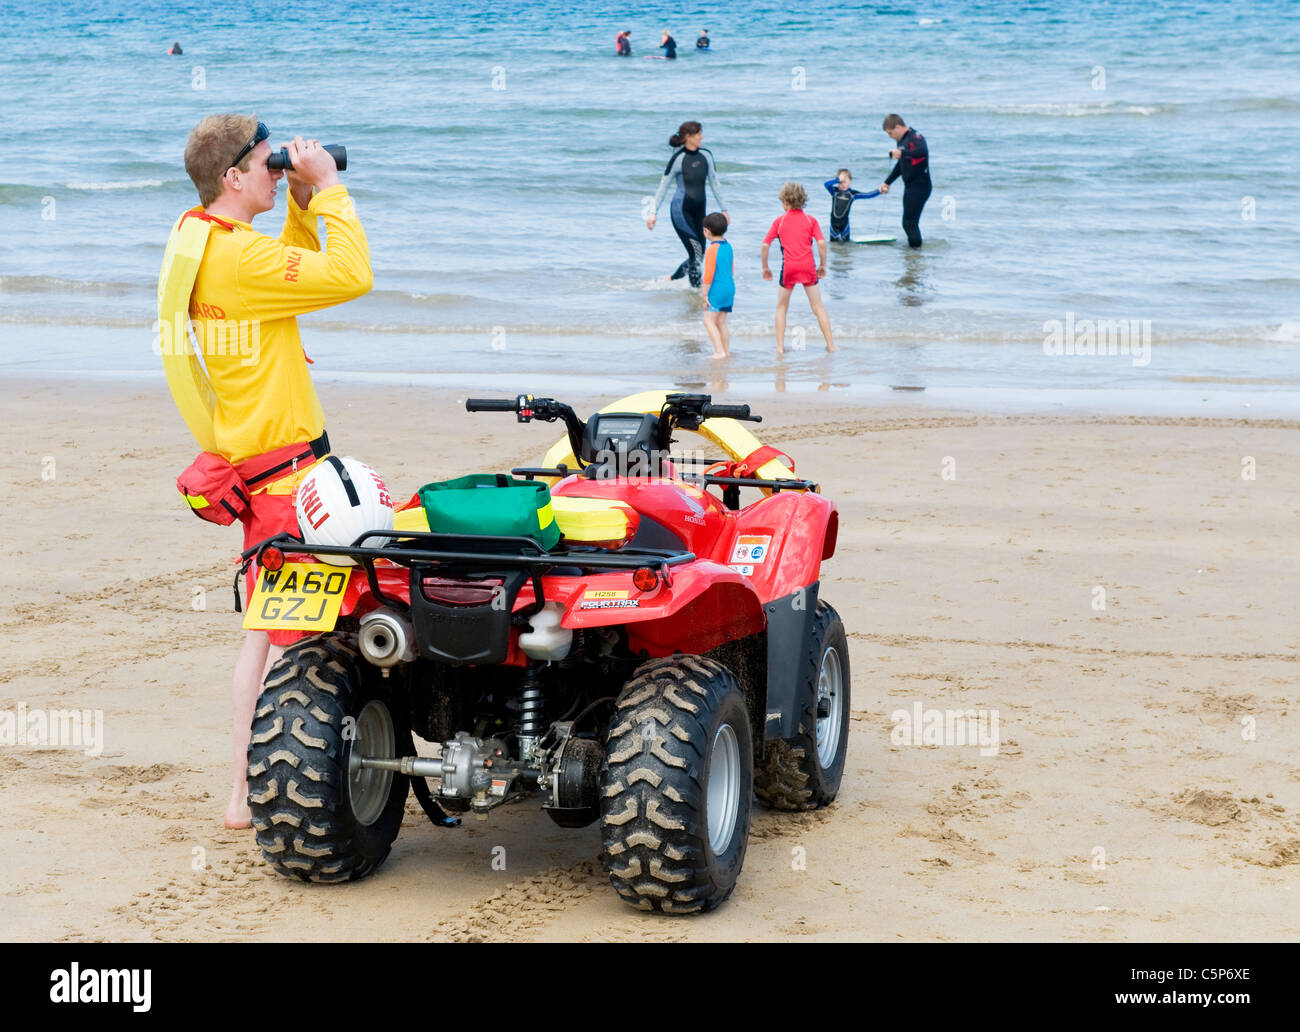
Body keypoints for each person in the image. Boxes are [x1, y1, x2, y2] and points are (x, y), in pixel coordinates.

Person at [171, 114, 372, 828]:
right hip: (289, 485)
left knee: (260, 637)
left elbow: (289, 279)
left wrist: (296, 203)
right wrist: (333, 190)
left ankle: (237, 794)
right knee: (311, 649)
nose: (277, 169)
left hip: (258, 474)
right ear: (232, 177)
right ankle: (263, 792)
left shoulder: (204, 240)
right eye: (267, 163)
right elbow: (352, 276)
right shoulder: (240, 261)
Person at [647, 120, 728, 288]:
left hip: (700, 212)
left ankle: (672, 280)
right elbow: (663, 186)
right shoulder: (678, 158)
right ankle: (697, 293)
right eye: (698, 134)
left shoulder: (706, 155)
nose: (702, 137)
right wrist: (653, 212)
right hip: (680, 211)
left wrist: (724, 209)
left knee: (699, 254)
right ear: (688, 137)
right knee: (696, 252)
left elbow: (714, 183)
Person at [761, 181, 833, 355]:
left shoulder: (779, 221)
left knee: (781, 307)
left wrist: (765, 267)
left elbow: (765, 245)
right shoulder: (811, 220)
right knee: (818, 308)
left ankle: (779, 348)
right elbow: (821, 243)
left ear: (785, 202)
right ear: (802, 200)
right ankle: (831, 345)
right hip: (808, 267)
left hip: (789, 268)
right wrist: (823, 264)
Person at [878, 114, 931, 247]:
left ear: (898, 127)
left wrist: (902, 153)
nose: (890, 136)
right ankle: (914, 254)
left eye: (890, 133)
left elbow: (922, 152)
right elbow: (901, 165)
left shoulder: (915, 137)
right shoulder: (901, 141)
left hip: (920, 186)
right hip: (910, 186)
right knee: (908, 222)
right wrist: (887, 182)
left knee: (909, 223)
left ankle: (915, 254)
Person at [700, 213, 734, 359]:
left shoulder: (712, 249)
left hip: (717, 289)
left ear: (706, 231)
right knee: (721, 322)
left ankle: (719, 352)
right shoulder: (728, 246)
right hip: (729, 288)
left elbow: (708, 275)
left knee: (708, 320)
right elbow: (731, 269)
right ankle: (726, 351)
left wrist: (704, 294)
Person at [823, 168, 878, 242]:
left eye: (845, 182)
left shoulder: (852, 194)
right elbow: (826, 184)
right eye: (840, 182)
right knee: (834, 246)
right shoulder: (834, 192)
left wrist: (879, 191)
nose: (843, 185)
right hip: (833, 225)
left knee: (846, 248)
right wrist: (837, 180)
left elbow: (868, 195)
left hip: (845, 225)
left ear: (850, 181)